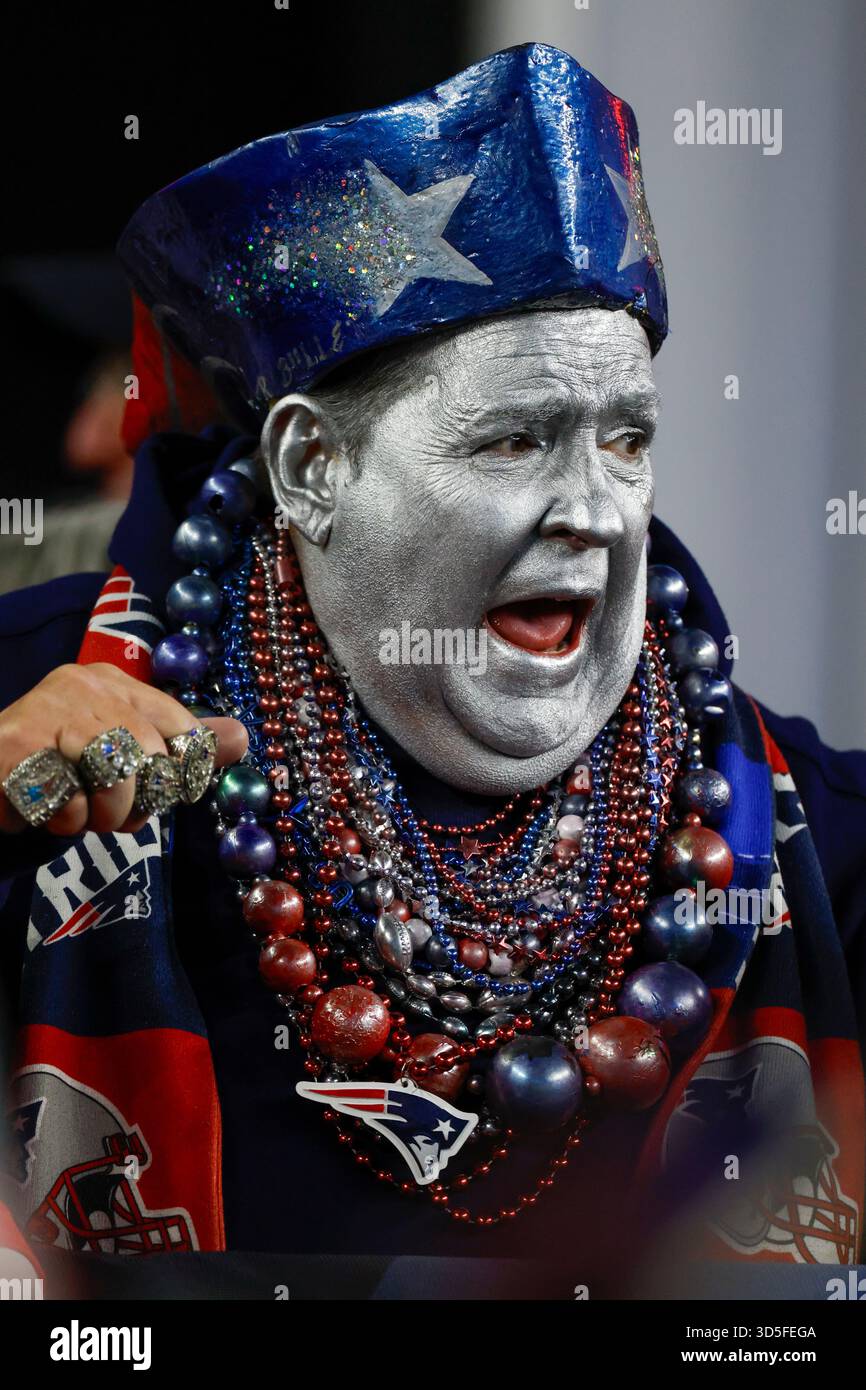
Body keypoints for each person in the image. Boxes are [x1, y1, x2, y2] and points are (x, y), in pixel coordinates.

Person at [1, 43, 863, 1301]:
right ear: (312, 471)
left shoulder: (812, 842)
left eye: (625, 439)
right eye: (511, 437)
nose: (595, 511)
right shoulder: (45, 720)